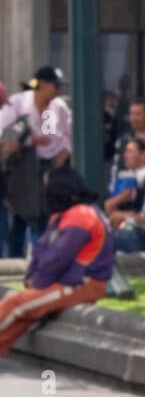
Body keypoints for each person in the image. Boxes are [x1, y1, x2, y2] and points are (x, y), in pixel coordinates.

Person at [0, 166, 112, 357]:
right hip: (65, 281)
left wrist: (37, 282)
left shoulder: (81, 215)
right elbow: (41, 251)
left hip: (82, 283)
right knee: (22, 309)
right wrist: (31, 278)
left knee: (16, 302)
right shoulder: (62, 215)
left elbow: (58, 257)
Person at [1, 66, 72, 258]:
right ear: (42, 84)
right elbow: (4, 131)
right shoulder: (19, 103)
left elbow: (62, 135)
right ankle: (15, 259)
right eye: (55, 86)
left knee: (46, 215)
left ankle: (45, 257)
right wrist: (26, 140)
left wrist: (64, 152)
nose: (58, 91)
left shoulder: (57, 107)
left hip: (48, 165)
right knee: (19, 215)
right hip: (23, 166)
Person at [105, 137, 145, 252]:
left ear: (144, 155)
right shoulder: (141, 177)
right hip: (144, 233)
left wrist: (123, 216)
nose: (125, 155)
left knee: (113, 238)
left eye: (130, 151)